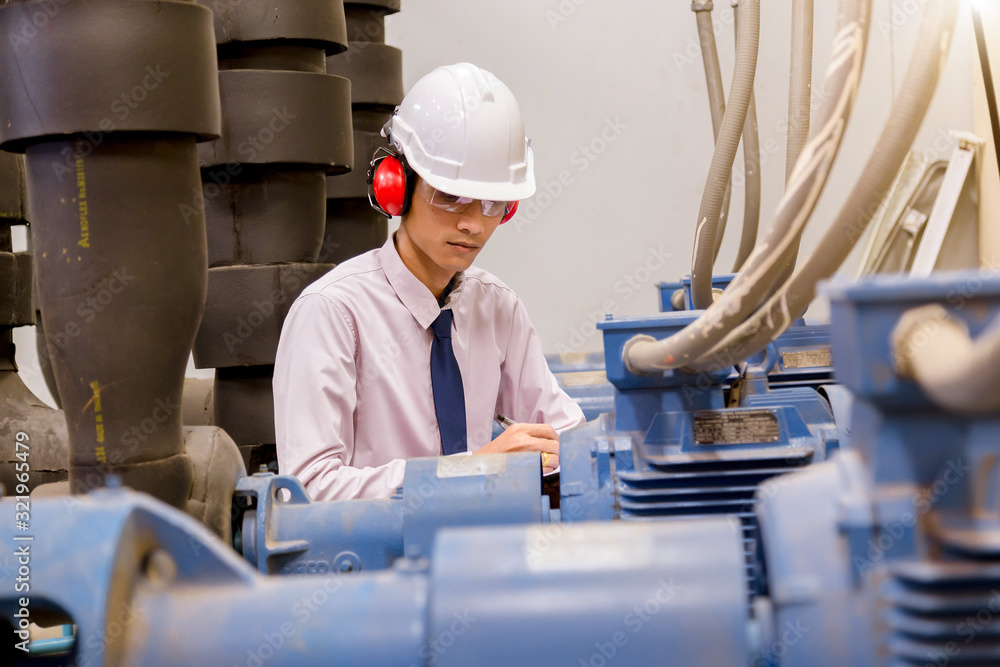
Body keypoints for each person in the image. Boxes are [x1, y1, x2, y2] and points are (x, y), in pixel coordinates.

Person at [273, 62, 585, 501]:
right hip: (378, 563)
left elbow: (567, 434)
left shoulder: (497, 307)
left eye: (494, 203)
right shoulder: (332, 314)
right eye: (450, 196)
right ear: (395, 186)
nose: (474, 224)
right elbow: (308, 490)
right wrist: (474, 470)